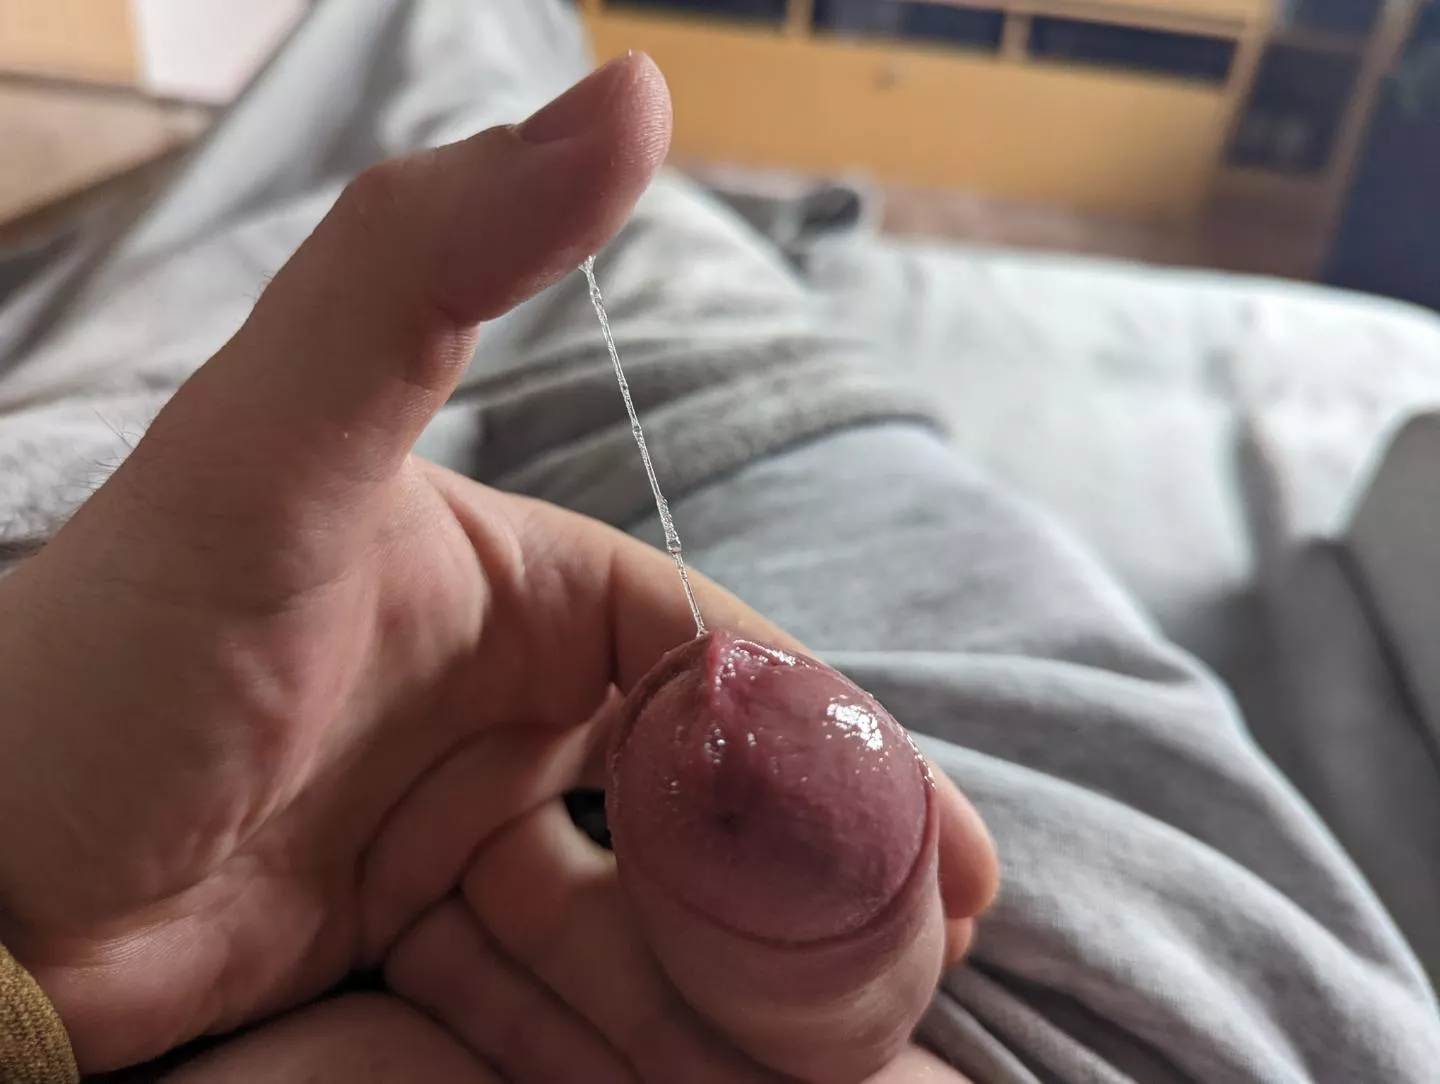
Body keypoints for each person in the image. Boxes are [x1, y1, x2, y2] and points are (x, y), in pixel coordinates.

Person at [0, 4, 1437, 1081]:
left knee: (431, 46)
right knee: (512, 103)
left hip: (118, 544)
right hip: (735, 477)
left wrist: (42, 962)